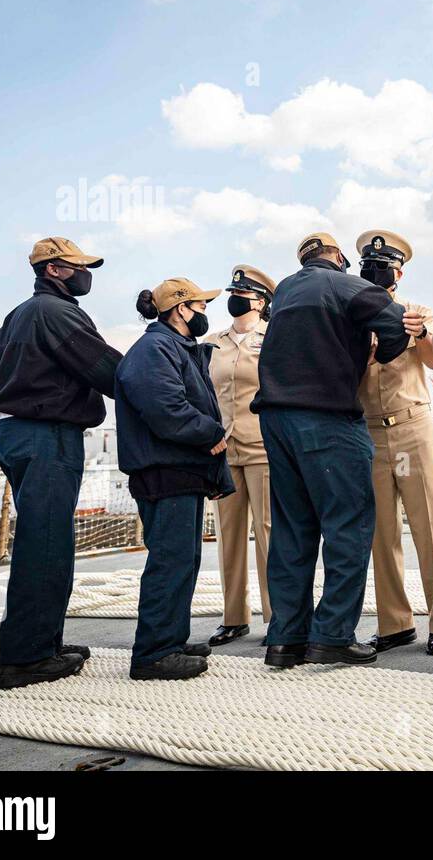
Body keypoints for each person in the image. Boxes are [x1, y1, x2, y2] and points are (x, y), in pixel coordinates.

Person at [251, 232, 411, 669]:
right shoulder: (348, 286)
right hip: (327, 421)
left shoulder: (283, 290)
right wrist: (381, 350)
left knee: (292, 529)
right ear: (338, 258)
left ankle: (286, 639)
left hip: (275, 423)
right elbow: (394, 324)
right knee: (347, 526)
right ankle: (333, 634)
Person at [0, 237, 122, 689]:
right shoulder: (58, 313)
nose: (88, 275)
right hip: (48, 436)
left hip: (15, 434)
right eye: (80, 267)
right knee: (45, 546)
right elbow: (106, 369)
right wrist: (161, 380)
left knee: (41, 541)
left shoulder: (18, 315)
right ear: (55, 270)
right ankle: (25, 659)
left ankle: (44, 645)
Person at [115, 278, 236, 681]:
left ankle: (171, 638)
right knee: (170, 561)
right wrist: (210, 433)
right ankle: (153, 654)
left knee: (183, 559)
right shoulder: (155, 349)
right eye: (201, 305)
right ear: (182, 309)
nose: (205, 312)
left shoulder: (172, 347)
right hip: (164, 471)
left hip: (179, 471)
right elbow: (166, 407)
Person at [356, 230, 433, 657]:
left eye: (385, 264)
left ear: (399, 271)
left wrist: (417, 333)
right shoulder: (351, 315)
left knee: (430, 526)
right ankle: (395, 622)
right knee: (381, 531)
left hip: (413, 427)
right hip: (370, 432)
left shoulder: (417, 311)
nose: (377, 271)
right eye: (370, 264)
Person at [207, 265, 277, 647]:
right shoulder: (214, 342)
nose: (235, 299)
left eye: (243, 293)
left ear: (260, 301)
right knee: (228, 536)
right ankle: (234, 616)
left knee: (268, 534)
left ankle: (277, 615)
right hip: (224, 450)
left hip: (263, 447)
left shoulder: (273, 338)